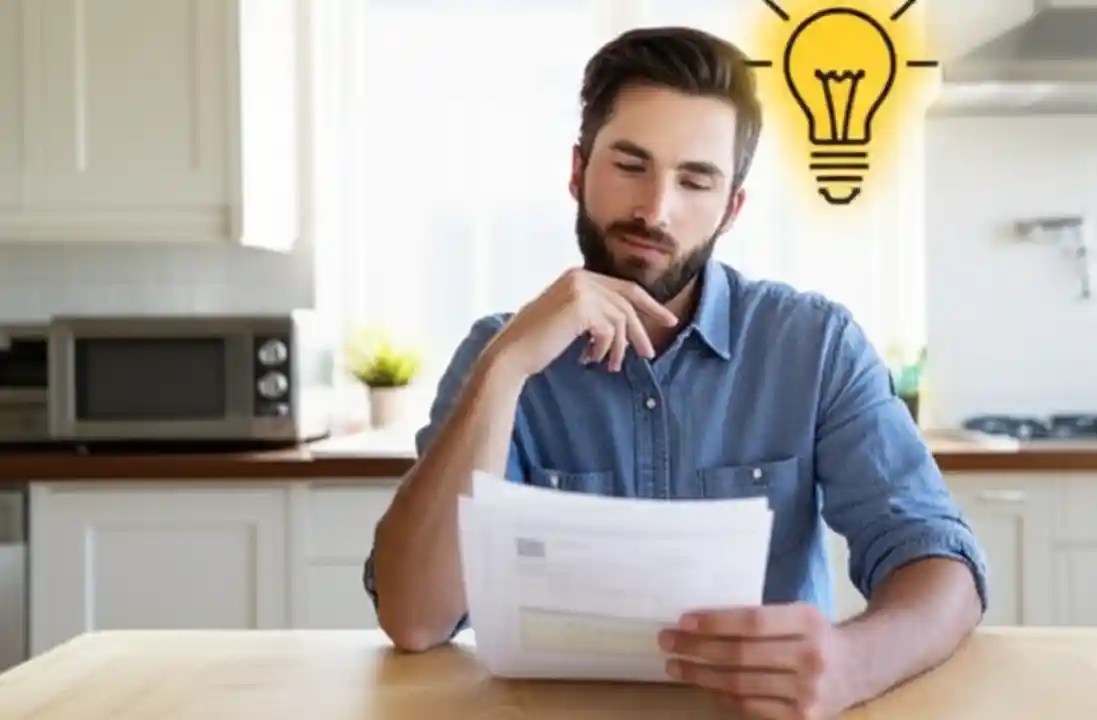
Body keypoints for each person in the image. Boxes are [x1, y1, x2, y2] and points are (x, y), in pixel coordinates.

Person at [364, 25, 988, 719]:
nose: (655, 209)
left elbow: (938, 562)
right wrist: (506, 369)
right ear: (578, 171)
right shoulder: (499, 353)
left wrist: (853, 664)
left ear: (732, 206)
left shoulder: (813, 346)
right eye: (630, 165)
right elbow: (415, 620)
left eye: (695, 180)